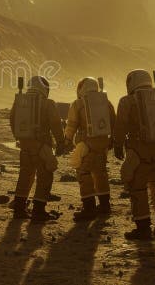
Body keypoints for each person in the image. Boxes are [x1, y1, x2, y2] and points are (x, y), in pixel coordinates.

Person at [113, 69, 155, 240]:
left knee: (138, 189)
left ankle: (143, 227)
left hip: (139, 151)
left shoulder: (127, 101)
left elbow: (120, 125)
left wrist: (117, 144)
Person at [9, 76, 62, 222]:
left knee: (25, 176)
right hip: (42, 146)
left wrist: (19, 137)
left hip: (25, 146)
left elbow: (12, 120)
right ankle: (39, 210)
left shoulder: (20, 101)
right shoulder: (47, 103)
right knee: (45, 176)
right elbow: (56, 124)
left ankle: (19, 208)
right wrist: (61, 142)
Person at [64, 77, 116, 221]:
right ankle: (105, 205)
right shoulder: (107, 102)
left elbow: (72, 125)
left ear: (82, 88)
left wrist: (67, 140)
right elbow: (114, 122)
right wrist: (112, 141)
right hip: (103, 145)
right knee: (100, 174)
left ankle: (89, 208)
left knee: (84, 174)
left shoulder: (78, 104)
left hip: (86, 145)